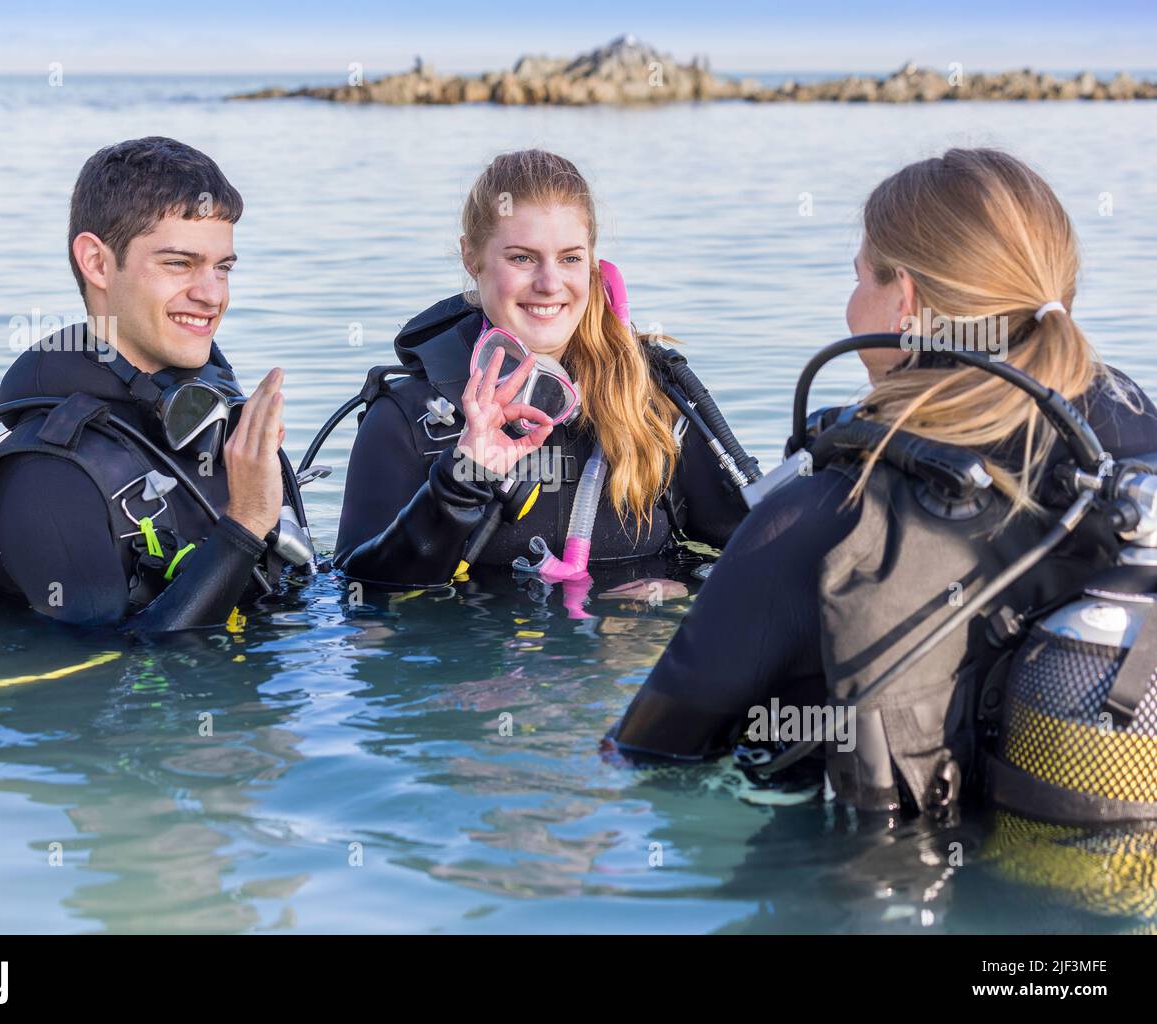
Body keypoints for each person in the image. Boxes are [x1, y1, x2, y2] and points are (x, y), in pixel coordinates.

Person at [608, 148, 1157, 815]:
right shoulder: (1128, 462)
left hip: (876, 891)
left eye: (859, 278)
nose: (850, 304)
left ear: (905, 301)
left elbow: (643, 753)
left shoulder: (821, 517)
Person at [0, 137, 302, 631]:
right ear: (97, 263)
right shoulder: (47, 476)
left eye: (222, 268)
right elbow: (106, 677)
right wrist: (246, 522)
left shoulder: (212, 424)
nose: (212, 295)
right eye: (179, 264)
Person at [334, 149, 753, 591]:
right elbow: (359, 594)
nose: (550, 283)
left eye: (570, 258)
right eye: (522, 258)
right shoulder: (406, 420)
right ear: (471, 258)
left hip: (621, 657)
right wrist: (464, 476)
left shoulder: (657, 404)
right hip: (474, 656)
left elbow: (766, 552)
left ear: (593, 265)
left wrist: (684, 590)